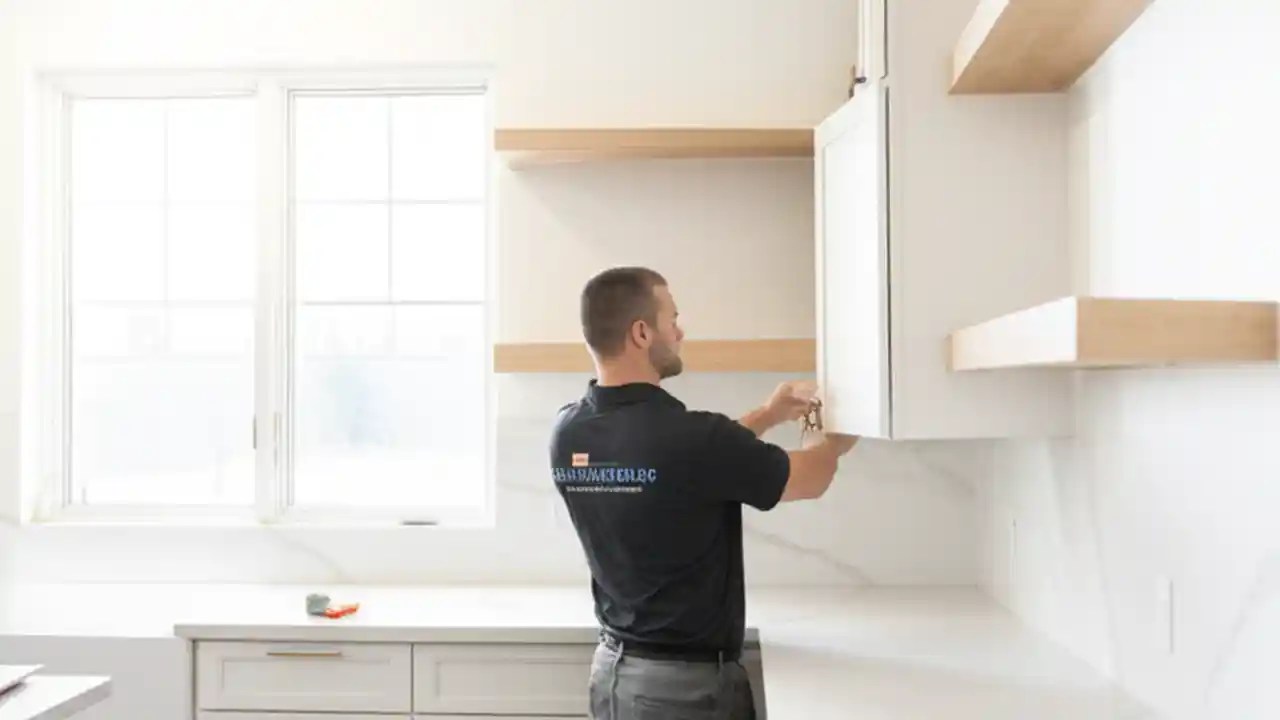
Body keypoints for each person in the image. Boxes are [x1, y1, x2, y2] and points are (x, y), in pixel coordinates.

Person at [550, 267, 860, 719]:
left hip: (611, 677)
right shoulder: (691, 439)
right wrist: (835, 429)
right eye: (671, 318)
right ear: (641, 332)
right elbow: (810, 478)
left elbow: (681, 462)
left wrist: (769, 414)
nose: (680, 330)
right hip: (685, 694)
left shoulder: (569, 431)